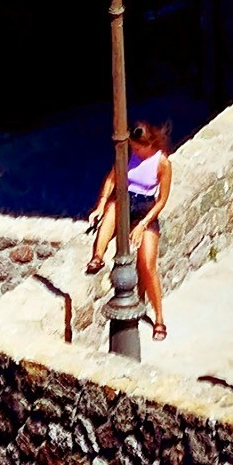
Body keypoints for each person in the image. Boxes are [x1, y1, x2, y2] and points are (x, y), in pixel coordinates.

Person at [86, 115, 172, 341]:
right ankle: (98, 256)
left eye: (139, 148)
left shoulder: (162, 163)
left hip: (146, 209)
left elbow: (162, 200)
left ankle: (159, 318)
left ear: (149, 144)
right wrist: (100, 204)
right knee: (112, 209)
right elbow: (111, 180)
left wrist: (143, 224)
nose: (136, 151)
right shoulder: (126, 154)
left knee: (147, 264)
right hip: (125, 201)